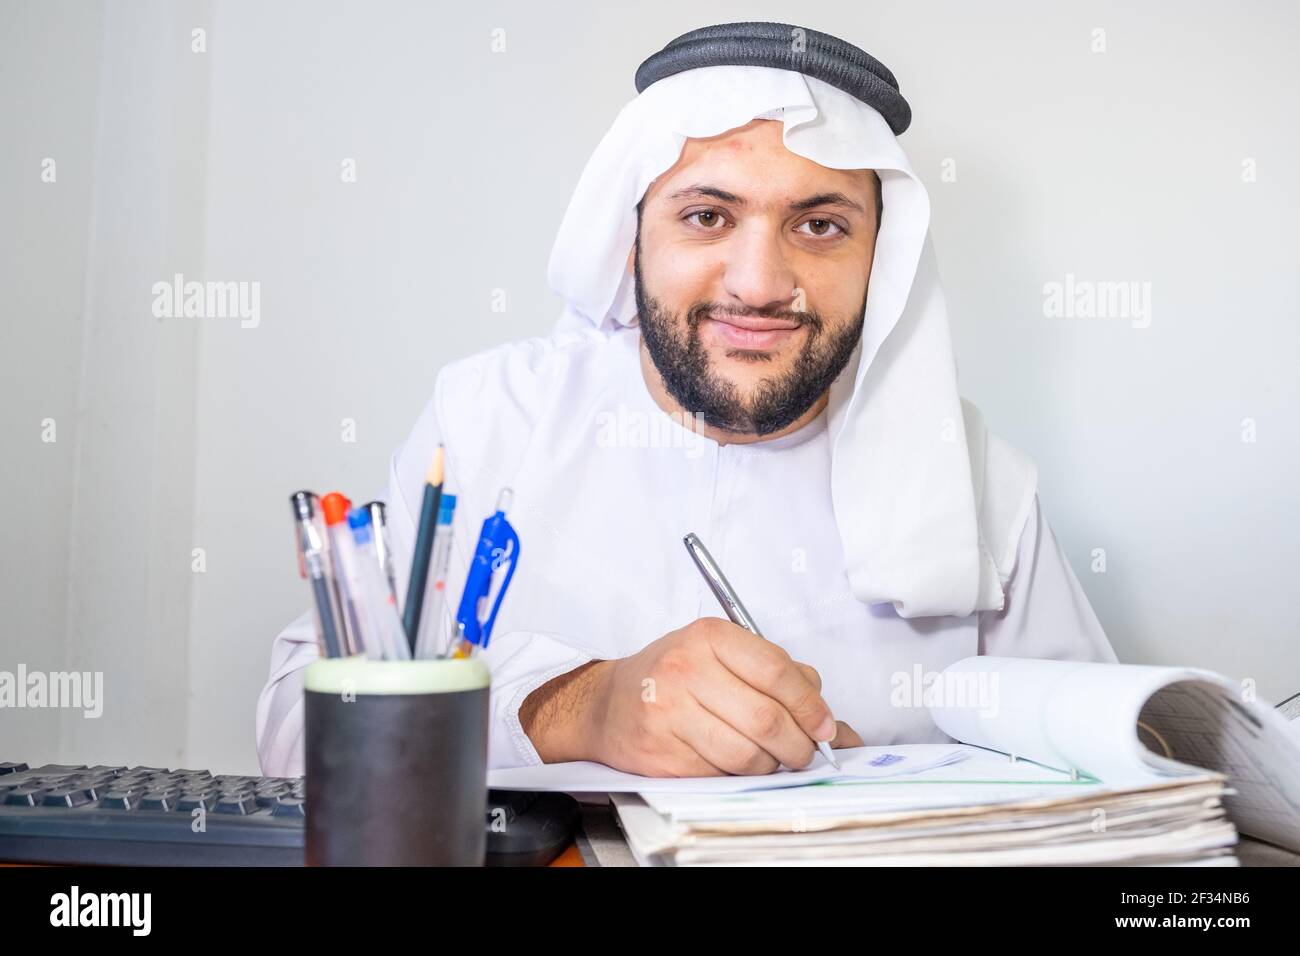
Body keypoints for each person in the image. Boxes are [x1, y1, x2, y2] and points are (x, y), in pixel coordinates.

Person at [256, 22, 1116, 779]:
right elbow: (299, 723)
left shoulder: (978, 483)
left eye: (819, 225)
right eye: (707, 216)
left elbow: (1105, 760)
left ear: (879, 261)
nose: (760, 284)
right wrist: (575, 709)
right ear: (631, 239)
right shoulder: (488, 420)